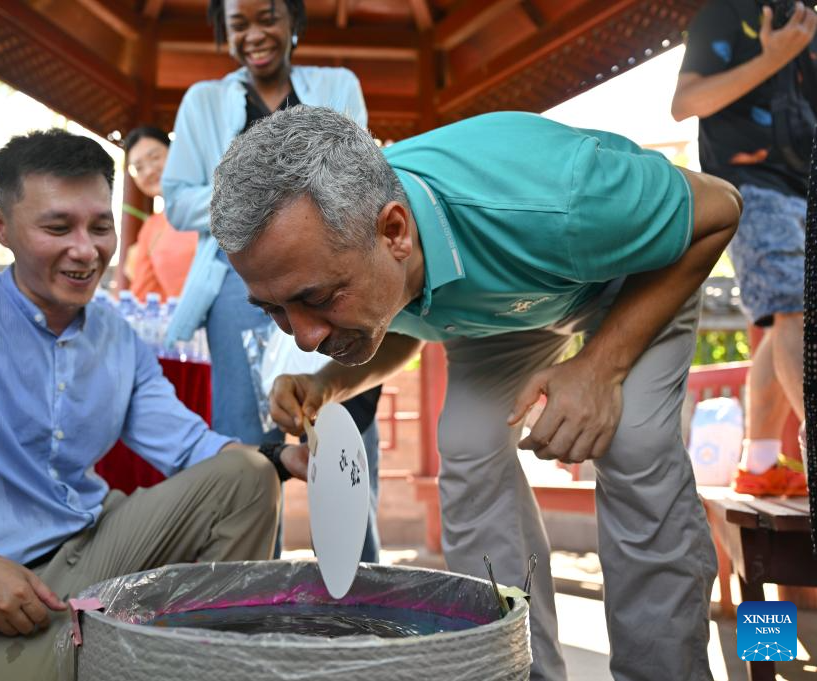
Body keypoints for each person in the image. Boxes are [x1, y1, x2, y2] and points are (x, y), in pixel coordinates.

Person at [210, 105, 742, 681]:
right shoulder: (361, 247)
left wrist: (599, 367)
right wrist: (327, 384)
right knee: (466, 444)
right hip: (515, 306)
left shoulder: (559, 199)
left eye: (316, 300)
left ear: (395, 232)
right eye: (275, 309)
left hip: (632, 277)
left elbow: (718, 208)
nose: (305, 337)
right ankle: (515, 669)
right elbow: (404, 320)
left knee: (633, 442)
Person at [0, 129, 307, 681]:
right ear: (1, 226)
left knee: (247, 477)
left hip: (104, 544)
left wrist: (281, 457)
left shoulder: (118, 337)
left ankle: (205, 657)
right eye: (57, 228)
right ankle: (138, 650)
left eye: (100, 227)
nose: (85, 250)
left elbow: (188, 444)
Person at [161, 0, 383, 560]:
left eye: (267, 18)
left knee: (342, 420)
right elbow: (178, 201)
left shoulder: (338, 85)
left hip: (331, 277)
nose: (254, 34)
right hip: (237, 289)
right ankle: (252, 580)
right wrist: (257, 201)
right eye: (238, 24)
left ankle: (362, 578)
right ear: (225, 32)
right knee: (247, 436)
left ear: (293, 22)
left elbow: (362, 174)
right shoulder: (203, 101)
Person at [672, 0, 814, 496]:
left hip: (805, 185)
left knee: (785, 318)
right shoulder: (725, 14)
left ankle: (759, 463)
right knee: (793, 309)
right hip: (750, 185)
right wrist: (774, 57)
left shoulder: (809, 21)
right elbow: (684, 103)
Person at [121, 126, 197, 302]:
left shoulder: (211, 201)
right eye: (138, 168)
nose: (149, 171)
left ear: (175, 154)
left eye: (155, 157)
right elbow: (145, 295)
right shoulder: (151, 227)